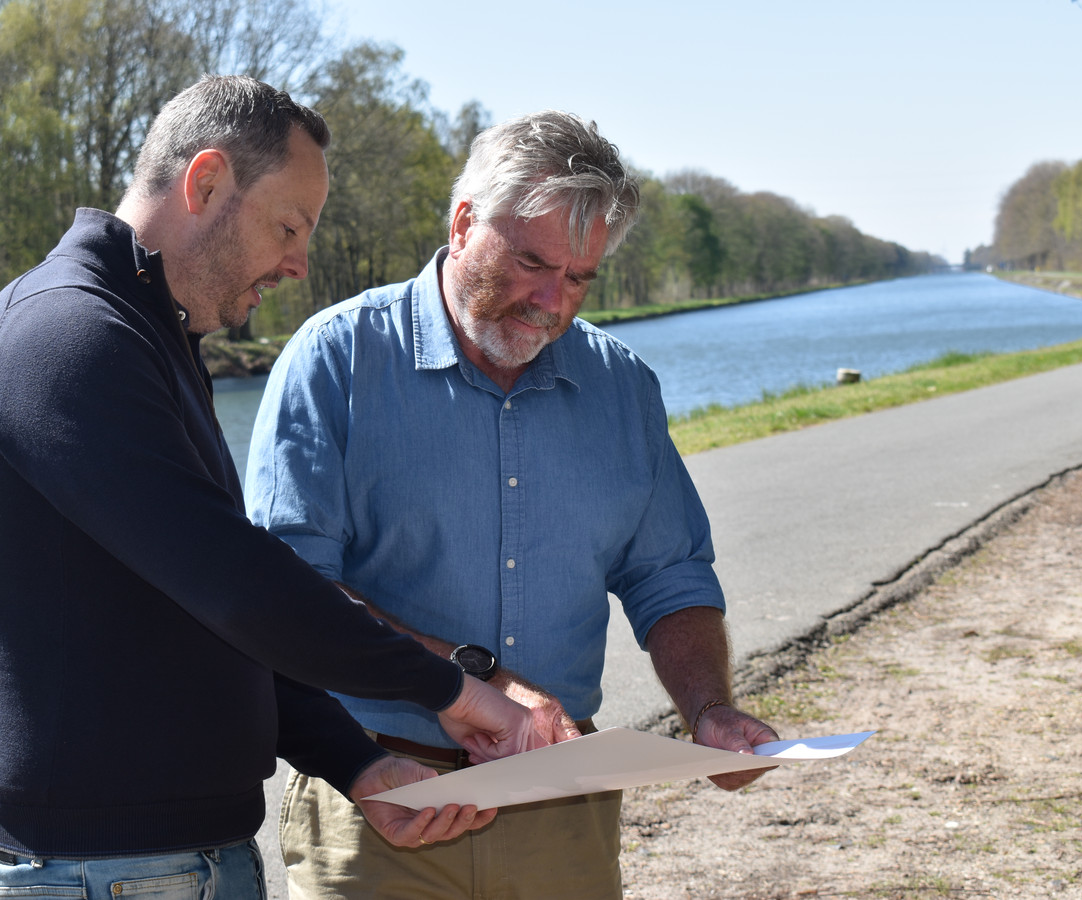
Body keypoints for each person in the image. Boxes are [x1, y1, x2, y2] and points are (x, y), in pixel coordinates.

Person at [0, 74, 541, 900]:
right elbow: (238, 587)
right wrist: (446, 688)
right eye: (288, 226)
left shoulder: (146, 334)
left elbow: (210, 616)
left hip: (178, 862)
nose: (298, 263)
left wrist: (357, 764)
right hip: (103, 873)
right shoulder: (64, 339)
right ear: (206, 181)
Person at [246, 110, 780, 899]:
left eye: (580, 278)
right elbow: (285, 596)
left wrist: (709, 710)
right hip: (383, 799)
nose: (552, 303)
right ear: (464, 224)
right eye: (532, 263)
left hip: (562, 809)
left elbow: (670, 576)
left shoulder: (622, 386)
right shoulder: (337, 360)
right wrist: (477, 683)